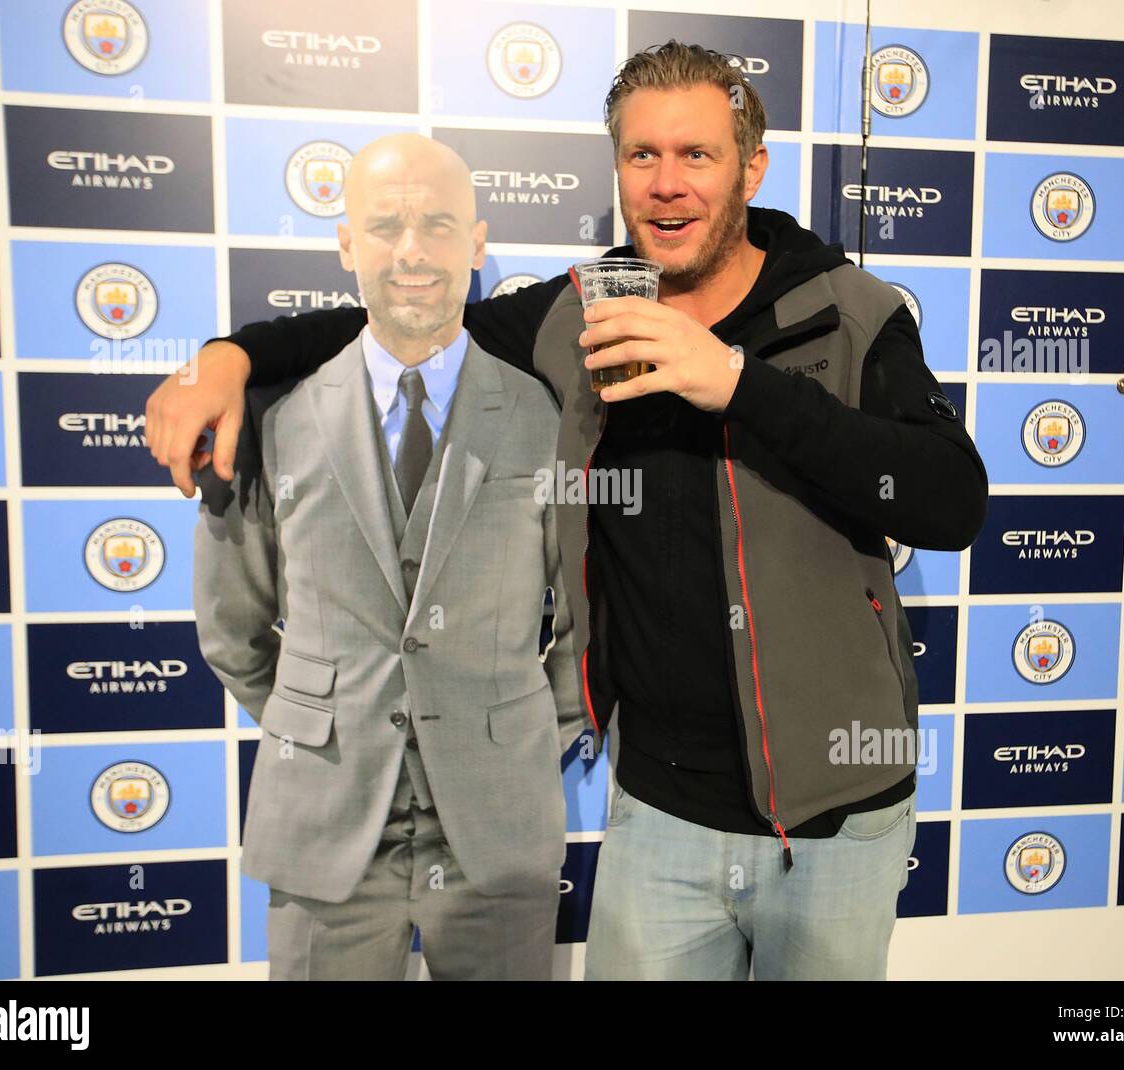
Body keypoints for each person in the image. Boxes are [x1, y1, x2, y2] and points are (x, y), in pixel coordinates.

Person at [153, 41, 989, 980]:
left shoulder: (847, 309)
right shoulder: (575, 313)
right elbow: (406, 318)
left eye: (698, 155)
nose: (667, 184)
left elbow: (949, 502)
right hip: (659, 813)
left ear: (751, 168)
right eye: (643, 155)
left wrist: (735, 382)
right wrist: (229, 357)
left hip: (837, 813)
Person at [192, 132, 587, 980]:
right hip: (322, 825)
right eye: (384, 226)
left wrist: (514, 734)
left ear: (477, 244)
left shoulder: (546, 418)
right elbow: (232, 629)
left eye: (438, 224)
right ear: (346, 244)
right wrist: (319, 720)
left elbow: (589, 625)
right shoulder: (271, 419)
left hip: (498, 830)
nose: (411, 251)